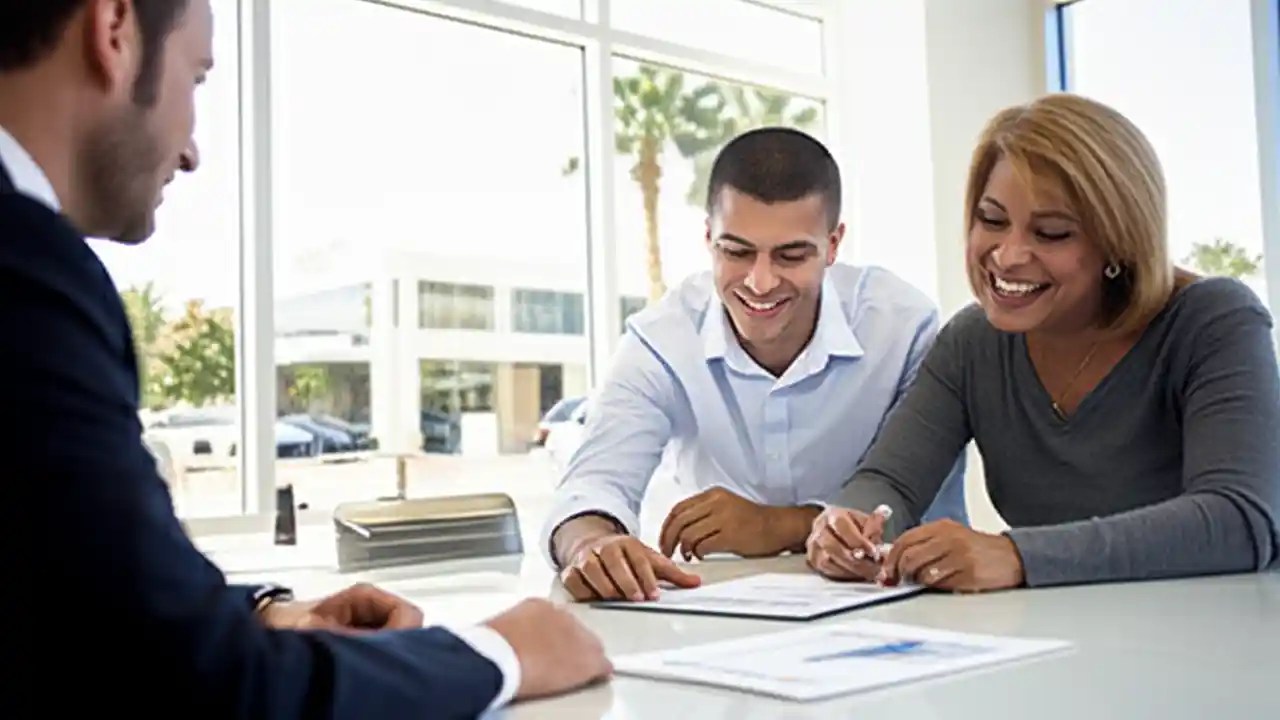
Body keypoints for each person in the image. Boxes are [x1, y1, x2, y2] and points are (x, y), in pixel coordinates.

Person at [0, 1, 609, 716]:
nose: (192, 150)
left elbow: (68, 577)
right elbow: (197, 684)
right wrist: (500, 653)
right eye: (196, 80)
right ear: (114, 31)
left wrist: (258, 611)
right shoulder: (24, 268)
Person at [805, 93, 1280, 592]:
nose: (1008, 255)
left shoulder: (1214, 320)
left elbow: (1239, 518)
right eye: (991, 220)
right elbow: (890, 481)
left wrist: (1017, 555)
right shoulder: (971, 343)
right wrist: (848, 524)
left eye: (1052, 233)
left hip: (1216, 640)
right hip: (1055, 641)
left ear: (1119, 242)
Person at [544, 126, 969, 602]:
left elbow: (929, 514)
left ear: (833, 245)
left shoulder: (904, 328)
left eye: (791, 255)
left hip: (899, 608)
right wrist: (592, 544)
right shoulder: (661, 340)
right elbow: (592, 486)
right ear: (708, 239)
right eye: (737, 251)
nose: (760, 282)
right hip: (718, 609)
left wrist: (776, 526)